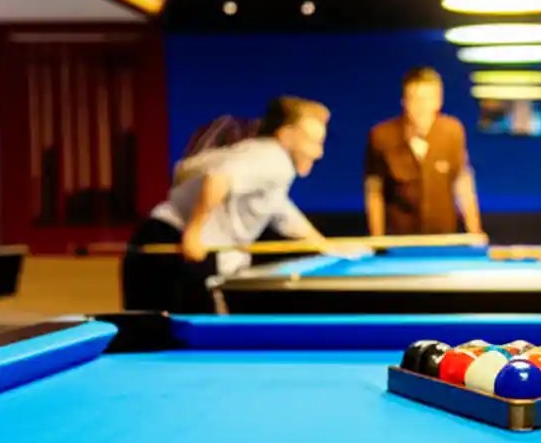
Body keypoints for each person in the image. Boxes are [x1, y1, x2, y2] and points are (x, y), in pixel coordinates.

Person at [121, 96, 331, 313]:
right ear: (286, 135)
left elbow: (284, 214)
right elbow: (218, 178)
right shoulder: (274, 160)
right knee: (169, 336)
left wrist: (324, 245)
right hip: (171, 246)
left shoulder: (267, 161)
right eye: (314, 142)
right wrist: (194, 232)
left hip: (171, 243)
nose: (319, 152)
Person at [364, 67, 483, 237]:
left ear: (438, 101)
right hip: (399, 241)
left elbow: (463, 183)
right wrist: (376, 240)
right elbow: (374, 192)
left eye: (427, 99)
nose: (421, 107)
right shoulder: (381, 136)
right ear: (404, 102)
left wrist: (475, 231)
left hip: (444, 239)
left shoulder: (453, 131)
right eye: (415, 100)